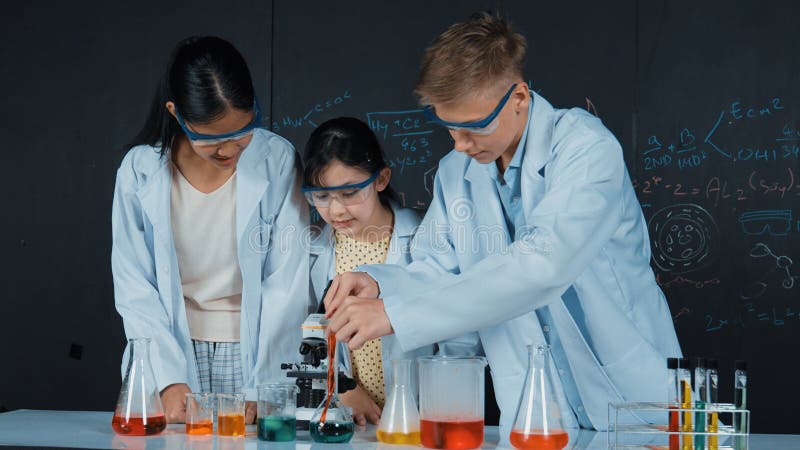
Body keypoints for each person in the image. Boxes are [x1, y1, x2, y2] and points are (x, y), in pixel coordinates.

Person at [323, 12, 682, 435]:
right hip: (536, 411)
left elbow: (541, 267)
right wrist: (381, 283)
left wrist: (396, 313)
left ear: (519, 98)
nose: (460, 145)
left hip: (629, 396)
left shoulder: (586, 151)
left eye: (474, 127)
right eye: (449, 127)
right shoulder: (456, 173)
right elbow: (437, 268)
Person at [112, 36, 308, 424]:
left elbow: (288, 281)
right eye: (211, 140)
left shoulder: (278, 159)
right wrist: (167, 378)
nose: (231, 151)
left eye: (242, 132)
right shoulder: (140, 170)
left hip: (253, 353)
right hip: (172, 348)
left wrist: (264, 383)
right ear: (176, 113)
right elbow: (134, 284)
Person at [304, 117, 458, 426]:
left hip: (423, 413)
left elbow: (456, 326)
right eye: (322, 196)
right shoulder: (312, 251)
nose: (336, 210)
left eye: (349, 193)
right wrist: (342, 385)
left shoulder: (425, 240)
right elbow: (310, 333)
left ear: (381, 179)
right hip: (351, 417)